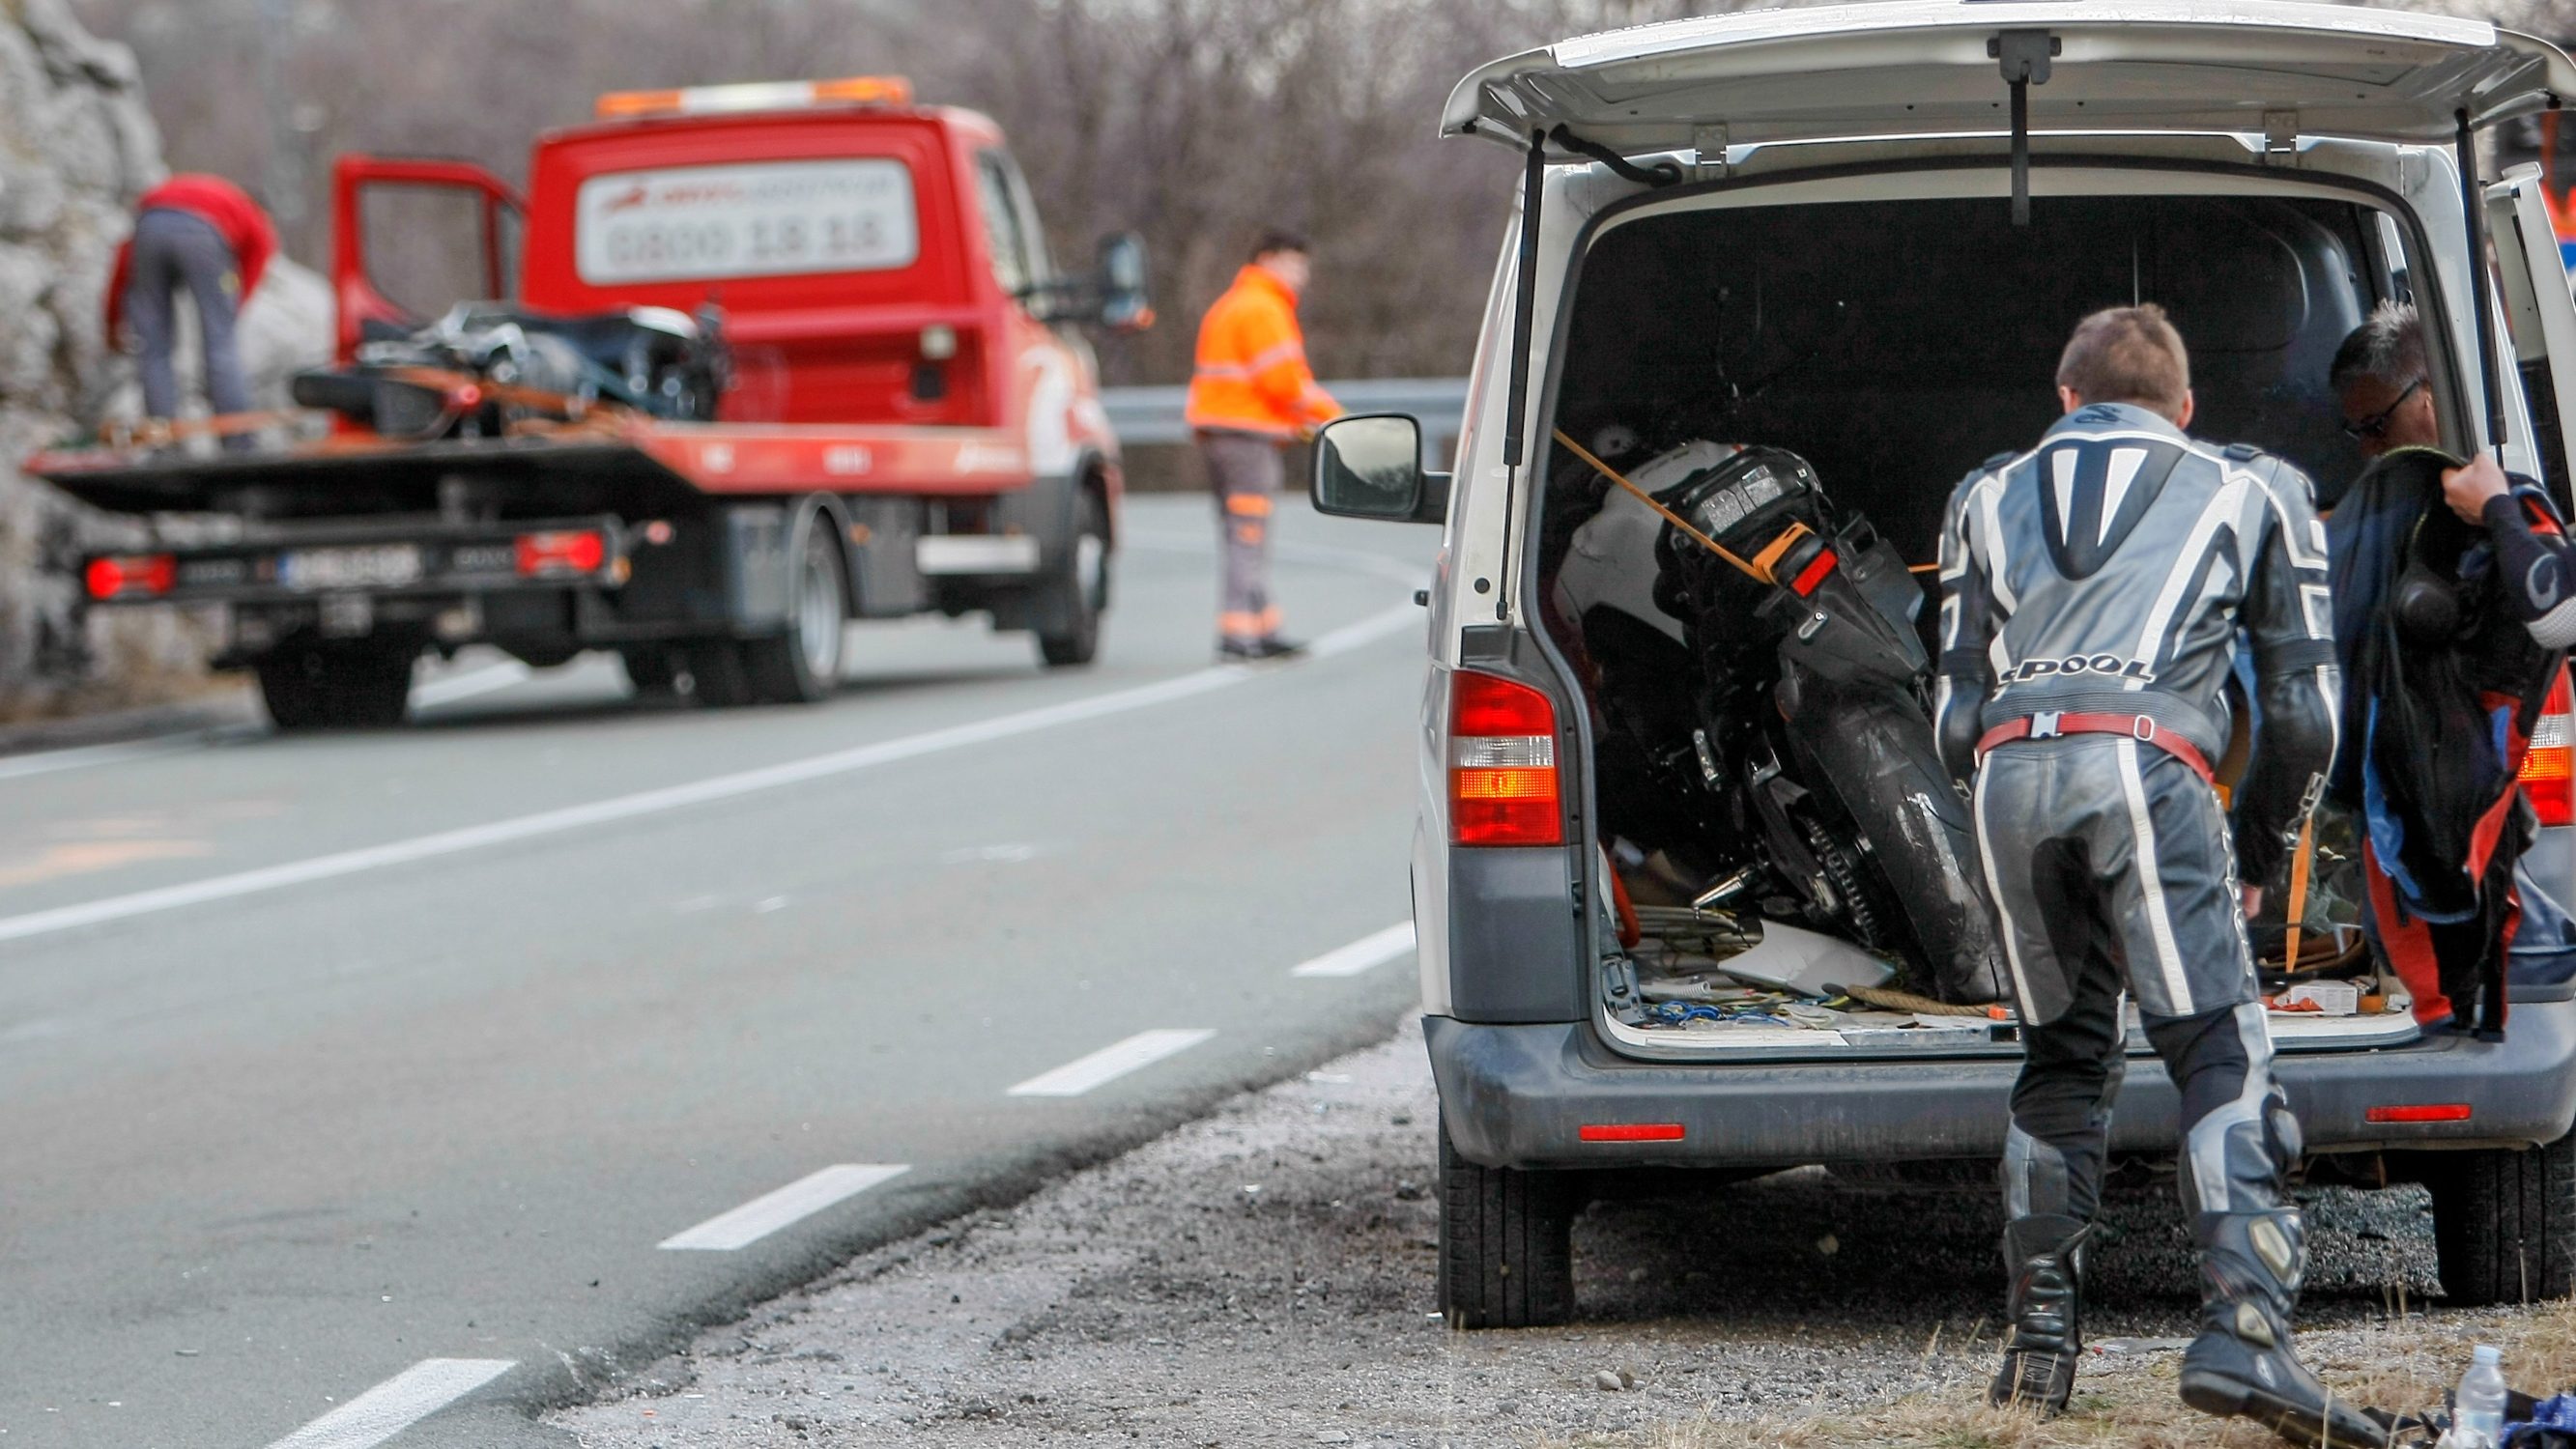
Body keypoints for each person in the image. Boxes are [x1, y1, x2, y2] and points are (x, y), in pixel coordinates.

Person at [1937, 305, 2370, 1446]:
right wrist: (2262, 853)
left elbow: (1946, 717)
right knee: (2218, 1045)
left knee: (2061, 1056)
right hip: (2147, 761)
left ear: (2063, 398)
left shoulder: (1983, 490)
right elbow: (2304, 713)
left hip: (2004, 770)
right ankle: (2245, 1334)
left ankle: (2036, 1355)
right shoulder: (2252, 484)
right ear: (2185, 407)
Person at [2326, 302, 2576, 1036]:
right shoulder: (2375, 519)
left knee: (2469, 1026)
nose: (2370, 449)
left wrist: (2495, 503)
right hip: (2401, 822)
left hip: (2477, 822)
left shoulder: (2511, 510)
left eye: (2379, 425)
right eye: (2356, 433)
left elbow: (2560, 615)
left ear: (2430, 395)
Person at [1183, 229, 1342, 661]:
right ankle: (1239, 634)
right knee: (1248, 535)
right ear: (1267, 259)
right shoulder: (1263, 308)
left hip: (1224, 435)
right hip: (1246, 439)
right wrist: (1337, 420)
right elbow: (1285, 383)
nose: (1302, 276)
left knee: (1240, 534)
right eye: (1294, 264)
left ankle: (1261, 627)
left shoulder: (1233, 304)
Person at [104, 173, 276, 449]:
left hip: (149, 223)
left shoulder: (197, 193)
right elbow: (255, 264)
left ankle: (163, 443)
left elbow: (122, 267)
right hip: (203, 232)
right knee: (220, 345)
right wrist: (227, 314)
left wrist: (112, 323)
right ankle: (237, 443)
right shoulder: (249, 212)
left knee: (154, 348)